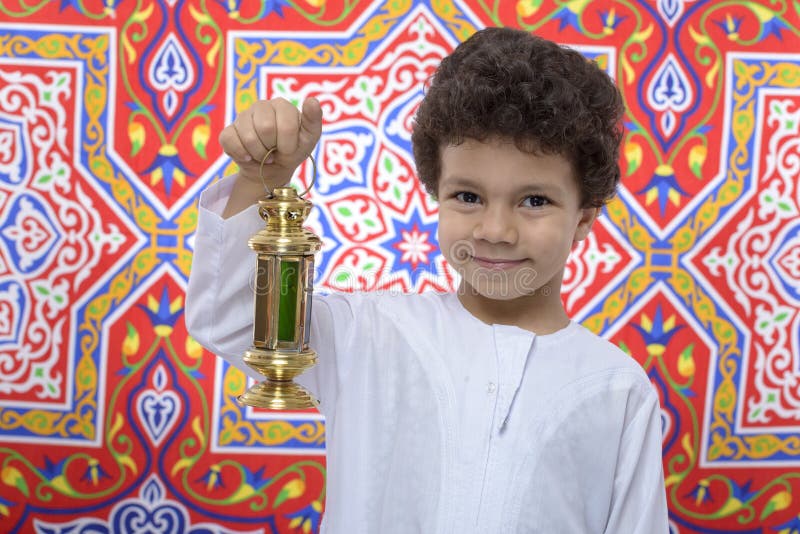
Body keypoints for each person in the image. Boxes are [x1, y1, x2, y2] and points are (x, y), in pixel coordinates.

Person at [186, 27, 668, 533]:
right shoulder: (366, 334)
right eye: (467, 197)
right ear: (436, 192)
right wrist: (263, 178)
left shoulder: (619, 390)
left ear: (585, 215)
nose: (495, 232)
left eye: (534, 201)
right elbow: (230, 318)